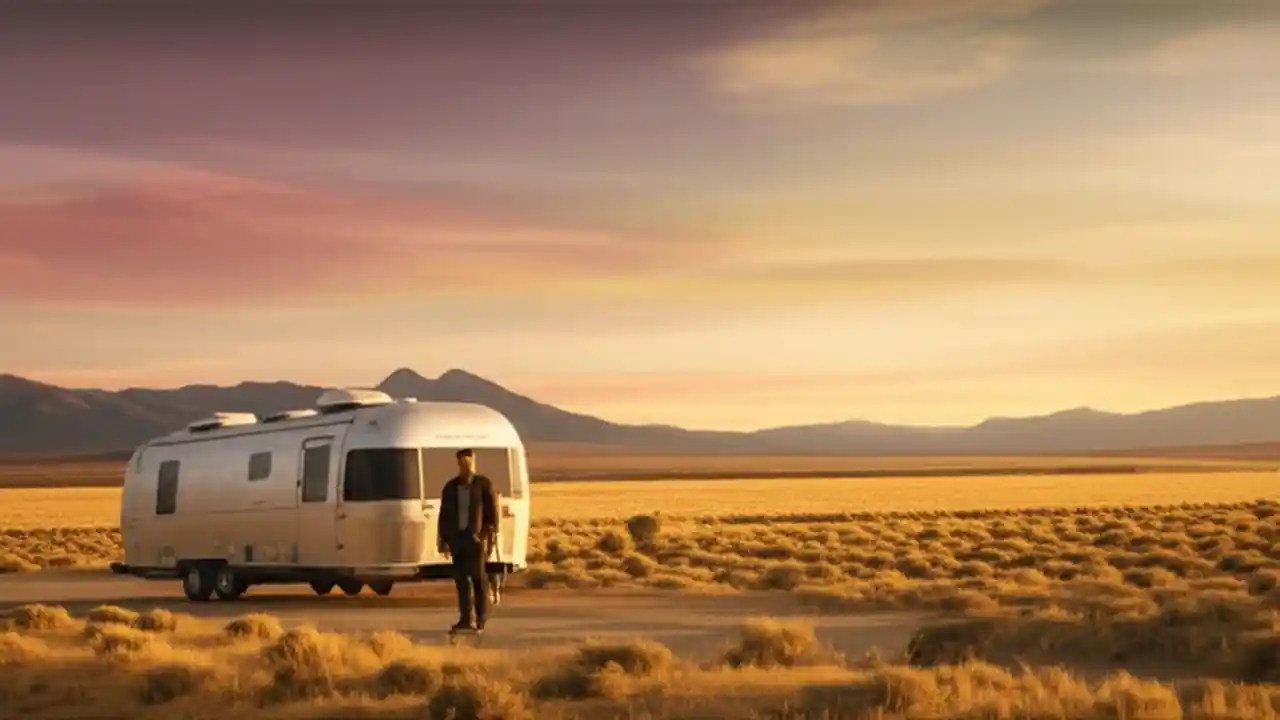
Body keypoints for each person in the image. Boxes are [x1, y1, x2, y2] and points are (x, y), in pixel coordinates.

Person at [437, 448, 499, 632]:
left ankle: (481, 618)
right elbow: (444, 514)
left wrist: (489, 535)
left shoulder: (483, 485)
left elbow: (492, 513)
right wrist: (444, 538)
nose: (465, 464)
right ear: (458, 463)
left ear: (473, 461)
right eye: (462, 461)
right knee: (462, 581)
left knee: (479, 578)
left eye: (468, 460)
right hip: (458, 539)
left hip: (476, 540)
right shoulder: (451, 488)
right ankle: (465, 619)